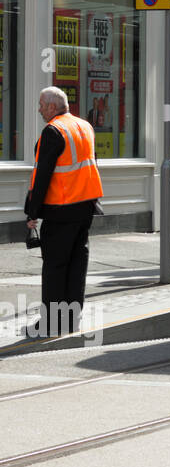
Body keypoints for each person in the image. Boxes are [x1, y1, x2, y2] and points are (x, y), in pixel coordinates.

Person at [24, 87, 104, 336]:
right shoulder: (84, 126)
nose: (38, 109)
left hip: (61, 207)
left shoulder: (53, 130)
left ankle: (50, 323)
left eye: (40, 105)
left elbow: (43, 175)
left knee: (55, 266)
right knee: (77, 263)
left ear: (51, 106)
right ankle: (71, 320)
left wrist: (32, 212)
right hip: (85, 206)